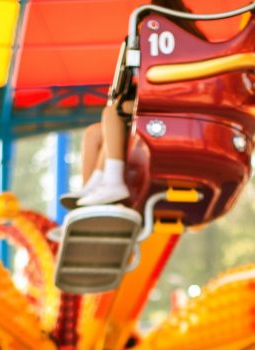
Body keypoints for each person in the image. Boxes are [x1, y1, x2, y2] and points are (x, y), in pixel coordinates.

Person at [60, 0, 207, 208]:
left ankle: (111, 182)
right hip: (162, 102)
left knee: (114, 112)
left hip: (174, 107)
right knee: (95, 132)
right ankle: (92, 188)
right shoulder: (171, 42)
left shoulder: (180, 43)